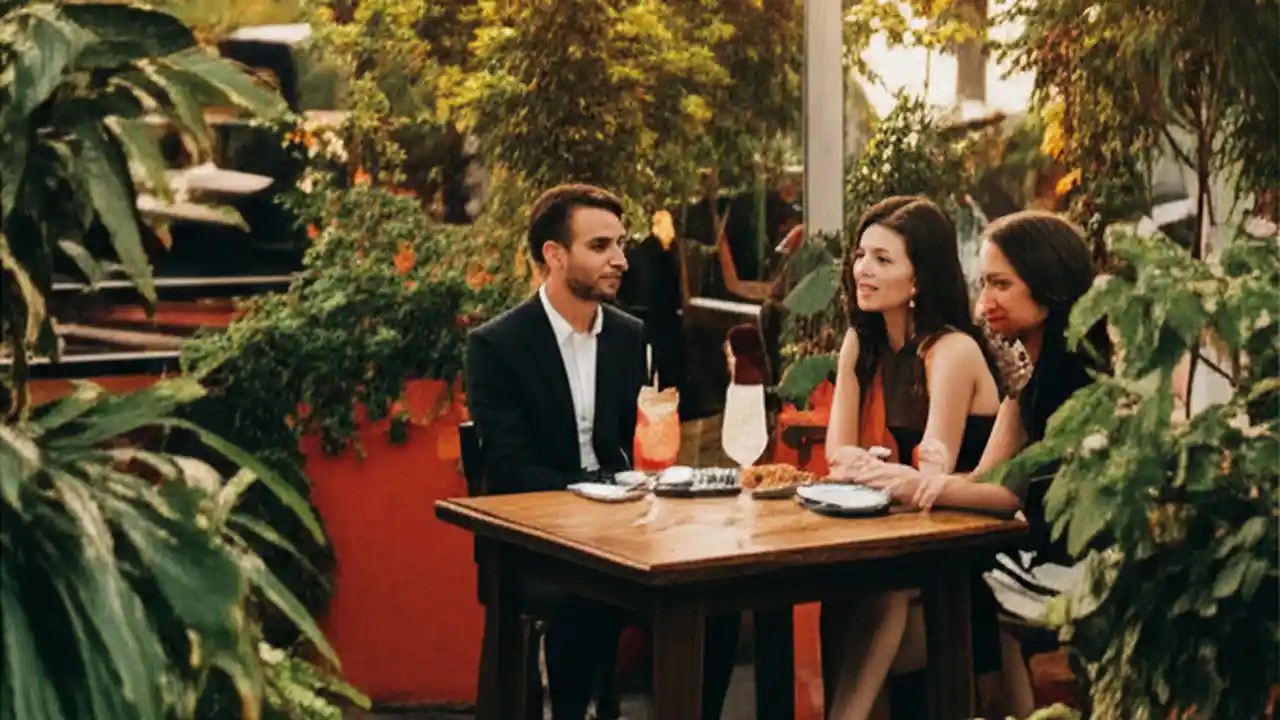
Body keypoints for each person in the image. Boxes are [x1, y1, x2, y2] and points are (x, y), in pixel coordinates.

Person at [466, 183, 738, 720]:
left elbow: (635, 447)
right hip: (539, 542)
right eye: (600, 247)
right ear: (554, 255)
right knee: (584, 601)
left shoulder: (629, 336)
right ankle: (572, 710)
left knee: (716, 600)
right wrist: (599, 499)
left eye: (620, 244)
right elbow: (512, 467)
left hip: (624, 535)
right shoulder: (498, 346)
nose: (619, 259)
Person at [832, 210, 1110, 719]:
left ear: (1047, 289)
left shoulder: (1081, 378)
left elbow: (1006, 497)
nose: (986, 301)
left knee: (898, 593)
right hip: (1008, 548)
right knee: (877, 594)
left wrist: (917, 484)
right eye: (984, 283)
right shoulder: (1028, 374)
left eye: (1002, 284)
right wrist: (922, 481)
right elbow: (991, 480)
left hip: (1065, 562)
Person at [820, 196, 1003, 720]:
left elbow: (932, 470)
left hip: (969, 534)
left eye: (883, 259)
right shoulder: (862, 341)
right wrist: (873, 466)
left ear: (918, 279)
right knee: (847, 592)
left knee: (887, 591)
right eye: (861, 255)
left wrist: (879, 469)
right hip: (910, 530)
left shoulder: (951, 351)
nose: (864, 270)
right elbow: (839, 451)